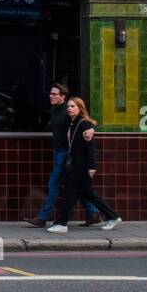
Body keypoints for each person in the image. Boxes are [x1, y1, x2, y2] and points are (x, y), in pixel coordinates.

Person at [24, 83, 99, 227]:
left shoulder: (68, 109)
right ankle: (93, 213)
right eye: (50, 93)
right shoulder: (54, 109)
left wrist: (92, 130)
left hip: (66, 153)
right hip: (58, 152)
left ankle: (42, 218)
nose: (50, 96)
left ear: (62, 97)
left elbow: (84, 120)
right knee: (75, 185)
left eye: (54, 94)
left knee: (54, 184)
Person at [47, 97, 123, 233]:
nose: (69, 108)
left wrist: (92, 167)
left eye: (73, 106)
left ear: (80, 108)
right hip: (75, 165)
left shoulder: (83, 124)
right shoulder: (73, 123)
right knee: (88, 194)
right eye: (69, 106)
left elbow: (90, 147)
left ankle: (62, 223)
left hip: (80, 166)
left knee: (70, 192)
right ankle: (113, 217)